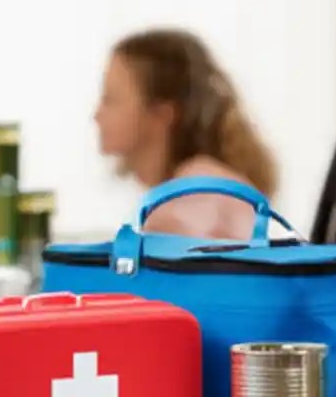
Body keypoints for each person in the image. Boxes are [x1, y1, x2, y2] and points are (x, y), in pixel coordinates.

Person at [94, 28, 278, 240]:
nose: (97, 115)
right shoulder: (201, 185)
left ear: (162, 113)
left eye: (111, 99)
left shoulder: (191, 198)